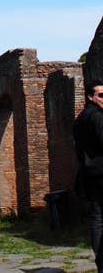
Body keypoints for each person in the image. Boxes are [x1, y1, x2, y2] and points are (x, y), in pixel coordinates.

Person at [74, 82, 103, 272]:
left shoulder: (79, 120)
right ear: (90, 97)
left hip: (88, 175)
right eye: (101, 95)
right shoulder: (98, 117)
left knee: (97, 220)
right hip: (101, 174)